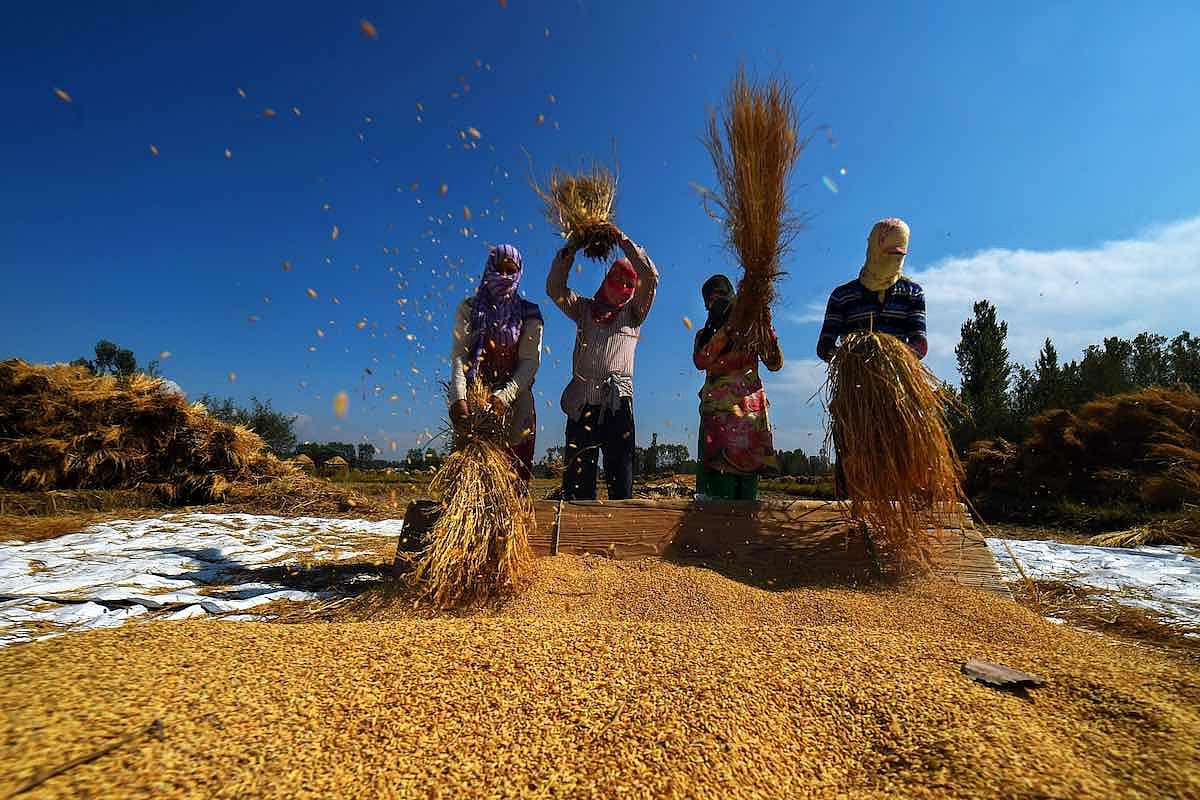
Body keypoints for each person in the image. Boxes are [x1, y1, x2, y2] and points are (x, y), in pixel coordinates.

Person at [546, 223, 659, 500]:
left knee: (621, 480)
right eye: (617, 279)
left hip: (617, 404)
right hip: (581, 402)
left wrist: (621, 238)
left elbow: (650, 276)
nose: (621, 287)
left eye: (628, 284)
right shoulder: (583, 309)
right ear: (605, 278)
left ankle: (617, 538)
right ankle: (578, 536)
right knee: (578, 483)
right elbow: (554, 287)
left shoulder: (633, 314)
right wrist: (572, 247)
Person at [816, 217, 927, 496]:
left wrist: (891, 357)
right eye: (888, 255)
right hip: (854, 397)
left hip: (896, 395)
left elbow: (920, 344)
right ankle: (848, 525)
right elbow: (825, 345)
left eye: (898, 256)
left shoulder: (913, 293)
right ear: (874, 251)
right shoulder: (843, 296)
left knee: (894, 464)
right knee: (853, 462)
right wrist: (853, 356)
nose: (893, 261)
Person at [448, 243, 543, 480]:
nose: (503, 276)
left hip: (515, 396)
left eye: (510, 270)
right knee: (469, 469)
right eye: (498, 269)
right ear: (488, 268)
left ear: (519, 273)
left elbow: (530, 362)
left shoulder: (529, 313)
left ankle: (514, 515)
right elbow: (461, 355)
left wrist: (505, 396)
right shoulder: (469, 308)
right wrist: (458, 396)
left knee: (514, 474)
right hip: (476, 395)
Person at [693, 274, 784, 501]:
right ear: (707, 306)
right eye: (712, 301)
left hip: (750, 424)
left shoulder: (751, 331)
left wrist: (764, 324)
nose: (718, 304)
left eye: (723, 297)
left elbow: (774, 363)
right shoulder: (704, 336)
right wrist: (728, 327)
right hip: (718, 426)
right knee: (719, 502)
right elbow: (701, 360)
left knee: (747, 501)